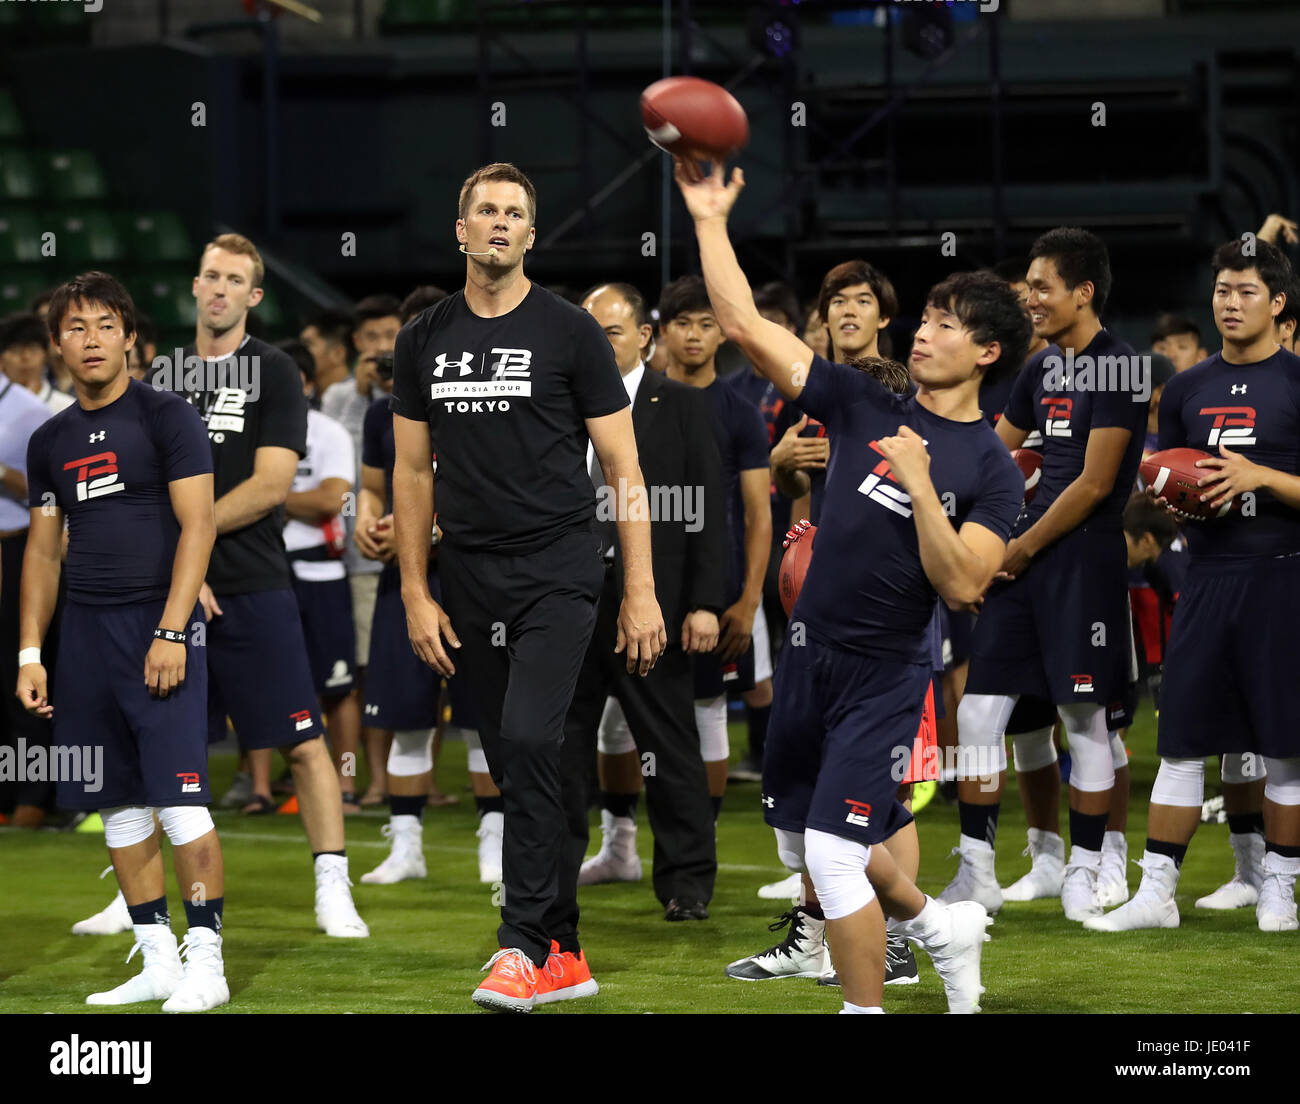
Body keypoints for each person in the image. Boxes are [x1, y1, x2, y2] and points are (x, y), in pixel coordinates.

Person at [677, 157, 1028, 1014]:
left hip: (885, 673)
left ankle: (863, 1008)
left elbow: (963, 585)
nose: (923, 331)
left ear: (985, 351)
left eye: (946, 324)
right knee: (804, 838)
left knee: (835, 853)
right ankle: (944, 928)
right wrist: (710, 218)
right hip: (806, 659)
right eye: (928, 317)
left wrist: (916, 487)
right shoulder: (867, 402)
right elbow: (743, 325)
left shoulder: (991, 467)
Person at [390, 161, 665, 1011]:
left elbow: (622, 465)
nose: (500, 222)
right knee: (516, 755)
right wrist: (413, 590)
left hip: (558, 567)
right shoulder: (423, 337)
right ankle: (567, 950)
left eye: (515, 212)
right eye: (486, 210)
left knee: (532, 736)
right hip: (468, 573)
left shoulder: (572, 331)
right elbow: (408, 474)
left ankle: (520, 944)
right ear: (462, 229)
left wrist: (642, 589)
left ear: (531, 235)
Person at [18, 271, 227, 1010]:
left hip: (158, 627)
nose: (92, 339)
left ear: (131, 336)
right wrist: (30, 653)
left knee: (181, 805)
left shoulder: (168, 417)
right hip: (83, 637)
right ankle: (159, 959)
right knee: (120, 806)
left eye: (106, 324)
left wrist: (174, 628)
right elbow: (44, 553)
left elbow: (199, 525)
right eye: (76, 328)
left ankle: (208, 962)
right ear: (56, 346)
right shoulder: (49, 442)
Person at [1087, 238, 1300, 934]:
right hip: (1206, 578)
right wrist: (1170, 499)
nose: (1231, 303)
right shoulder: (1184, 389)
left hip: (1280, 576)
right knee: (1180, 740)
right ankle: (1157, 894)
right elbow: (1169, 483)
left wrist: (1262, 478)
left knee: (1283, 744)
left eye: (1245, 292)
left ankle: (1280, 886)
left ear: (1277, 303)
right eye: (1222, 291)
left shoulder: (1298, 382)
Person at [940, 227, 1148, 923]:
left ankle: (1086, 872)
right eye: (1027, 286)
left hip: (1080, 560)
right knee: (977, 712)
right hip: (1022, 555)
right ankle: (976, 874)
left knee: (1084, 718)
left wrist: (1018, 546)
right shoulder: (1039, 367)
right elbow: (995, 454)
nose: (1029, 298)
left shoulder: (1122, 366)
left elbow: (1093, 485)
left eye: (1042, 286)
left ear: (1083, 293)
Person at [179, 233, 367, 937]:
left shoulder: (275, 371)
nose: (220, 289)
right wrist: (179, 569)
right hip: (174, 592)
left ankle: (332, 887)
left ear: (254, 296)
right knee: (164, 746)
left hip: (252, 583)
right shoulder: (165, 377)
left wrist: (189, 546)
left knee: (302, 738)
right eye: (210, 277)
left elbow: (270, 486)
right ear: (195, 287)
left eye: (235, 280)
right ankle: (128, 893)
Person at [568, 281, 724, 920]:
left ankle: (687, 884)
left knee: (669, 743)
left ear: (643, 337)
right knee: (561, 745)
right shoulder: (558, 400)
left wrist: (707, 602)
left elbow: (710, 508)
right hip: (570, 602)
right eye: (589, 330)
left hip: (653, 603)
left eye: (610, 331)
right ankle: (549, 877)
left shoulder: (681, 404)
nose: (599, 342)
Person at [650, 274, 771, 825]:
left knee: (709, 712)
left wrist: (747, 600)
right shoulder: (630, 405)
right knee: (615, 718)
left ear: (723, 334)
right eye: (682, 324)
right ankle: (622, 841)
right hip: (642, 584)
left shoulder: (740, 412)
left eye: (706, 324)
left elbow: (757, 514)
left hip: (714, 587)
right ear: (662, 332)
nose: (694, 335)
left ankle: (706, 833)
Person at [321, 294, 402, 809]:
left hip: (410, 548)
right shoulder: (334, 400)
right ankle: (366, 780)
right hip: (351, 557)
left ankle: (409, 781)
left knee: (399, 668)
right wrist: (367, 393)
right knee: (358, 673)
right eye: (370, 338)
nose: (380, 348)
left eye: (389, 337)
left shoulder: (417, 393)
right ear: (356, 343)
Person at [278, 338, 361, 813]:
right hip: (268, 568)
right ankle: (271, 788)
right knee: (276, 680)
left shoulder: (328, 431)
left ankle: (345, 785)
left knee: (338, 685)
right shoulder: (255, 431)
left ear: (307, 383)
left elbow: (331, 500)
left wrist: (267, 495)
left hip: (323, 568)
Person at [0, 350, 53, 828]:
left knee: (17, 671)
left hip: (15, 549)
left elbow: (47, 494)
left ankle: (32, 798)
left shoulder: (31, 413)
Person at [1, 313, 74, 414]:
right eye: (16, 350)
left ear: (46, 355)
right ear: (2, 358)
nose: (26, 357)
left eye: (33, 349)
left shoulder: (66, 408)